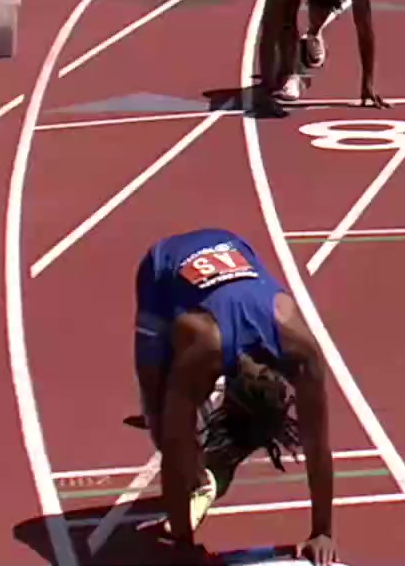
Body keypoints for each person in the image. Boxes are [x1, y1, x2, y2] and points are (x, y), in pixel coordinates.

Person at [133, 228, 337, 564]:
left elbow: (318, 446)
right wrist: (183, 544)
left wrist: (322, 532)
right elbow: (172, 445)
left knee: (178, 420)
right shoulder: (203, 346)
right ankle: (200, 481)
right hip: (160, 271)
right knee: (158, 406)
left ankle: (210, 469)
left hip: (233, 245)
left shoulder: (302, 350)